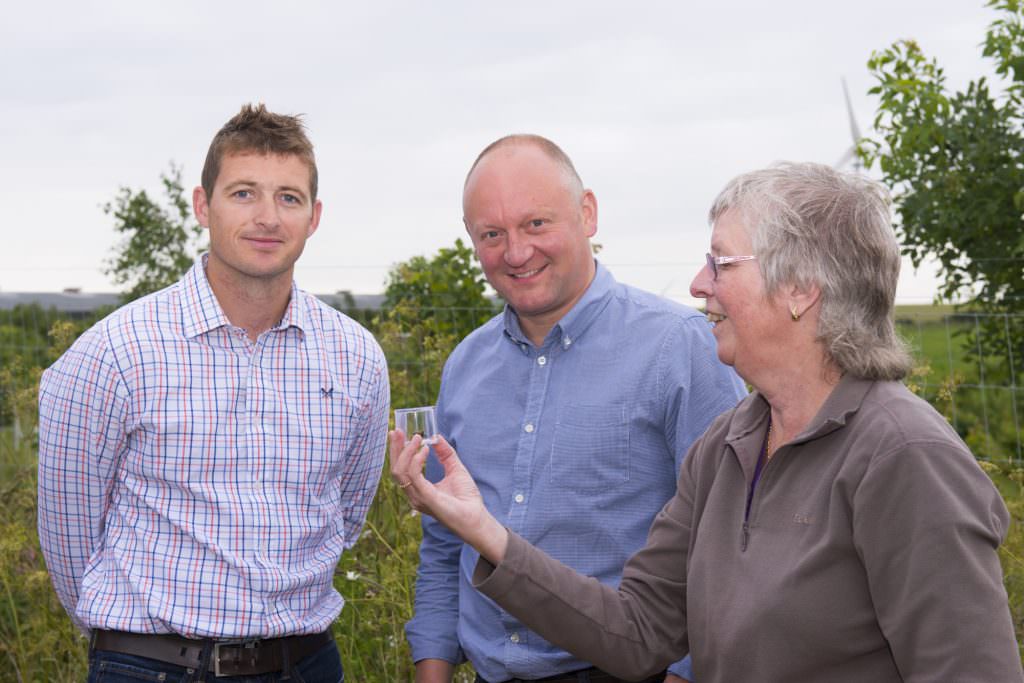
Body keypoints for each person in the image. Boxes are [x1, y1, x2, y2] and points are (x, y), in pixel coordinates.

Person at [392, 162, 1024, 682]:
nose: (699, 284)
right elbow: (639, 632)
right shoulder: (729, 444)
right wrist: (484, 531)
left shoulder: (903, 456)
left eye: (723, 263)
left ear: (801, 287)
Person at [38, 103, 390, 682]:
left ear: (315, 216)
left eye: (289, 197)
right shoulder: (114, 354)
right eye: (244, 193)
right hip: (151, 666)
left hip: (307, 664)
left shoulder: (356, 358)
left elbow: (347, 515)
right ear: (204, 205)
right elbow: (69, 534)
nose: (268, 217)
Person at [404, 134, 746, 683]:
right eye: (493, 234)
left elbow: (727, 537)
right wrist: (433, 669)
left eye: (536, 224)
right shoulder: (466, 367)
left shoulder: (679, 348)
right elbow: (445, 543)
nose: (516, 253)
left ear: (587, 213)